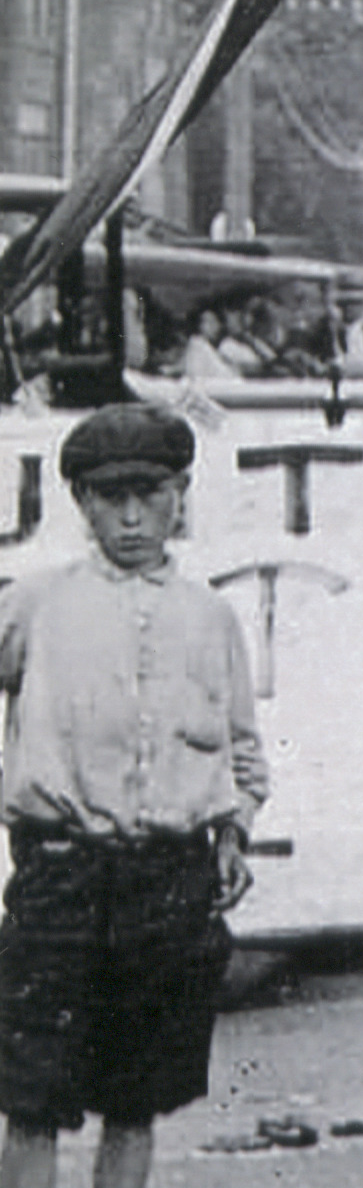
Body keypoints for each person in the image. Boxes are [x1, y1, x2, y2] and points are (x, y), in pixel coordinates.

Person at [0, 405, 261, 1188]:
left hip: (169, 881)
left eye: (150, 493)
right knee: (33, 1095)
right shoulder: (34, 605)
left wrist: (234, 833)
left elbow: (244, 749)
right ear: (80, 502)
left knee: (136, 1098)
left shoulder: (211, 619)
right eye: (111, 497)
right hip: (62, 875)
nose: (133, 515)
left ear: (180, 494)